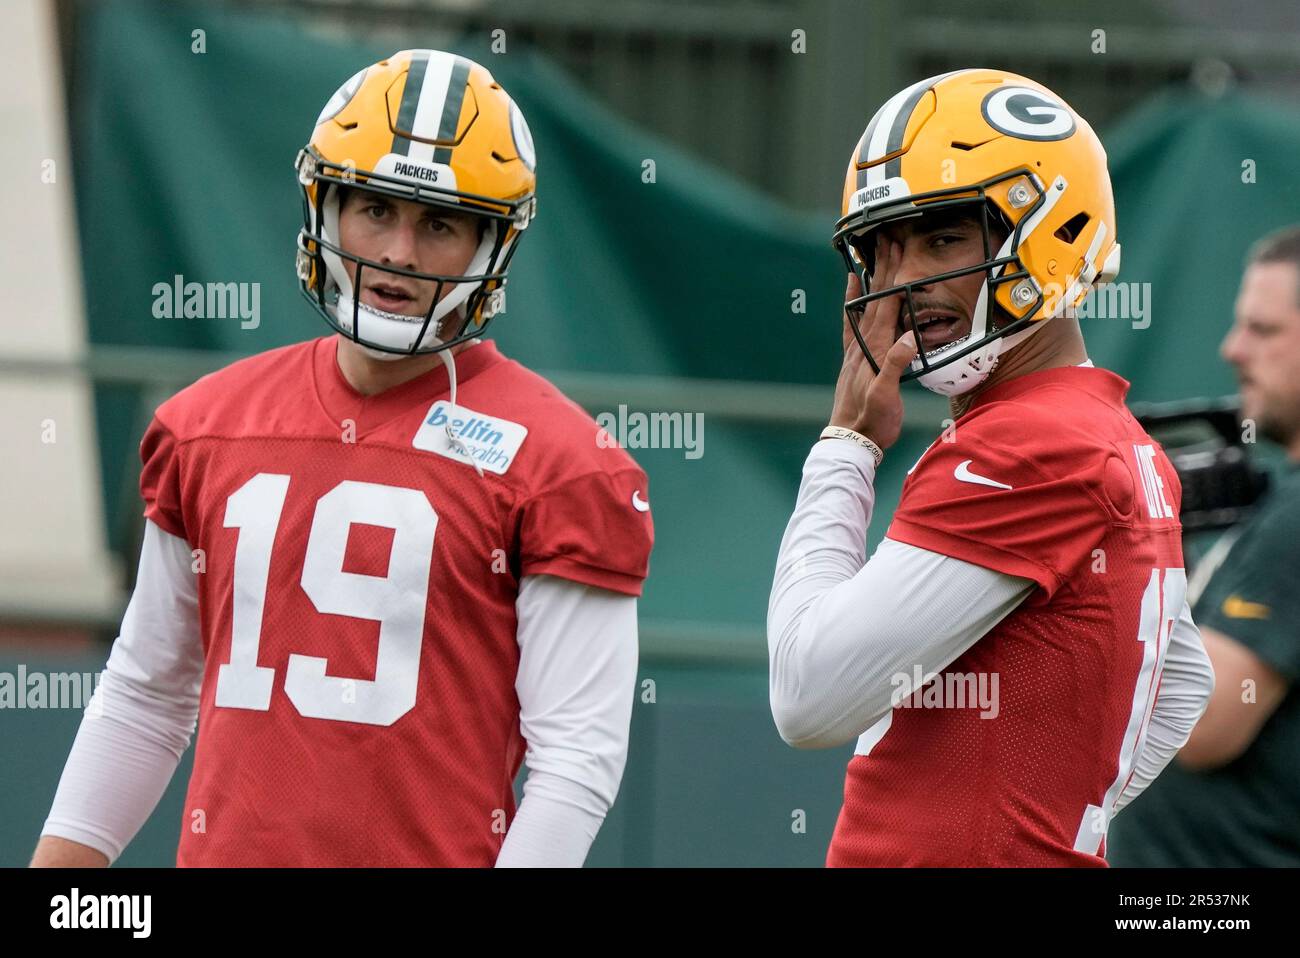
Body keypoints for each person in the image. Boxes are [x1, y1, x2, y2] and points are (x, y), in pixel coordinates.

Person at [32, 49, 653, 867]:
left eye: (438, 223)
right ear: (324, 208)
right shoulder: (206, 426)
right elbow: (147, 692)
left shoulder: (564, 465)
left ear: (489, 246)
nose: (397, 252)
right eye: (373, 208)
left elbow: (576, 760)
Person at [767, 69, 1214, 866]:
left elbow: (807, 697)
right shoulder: (1109, 434)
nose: (903, 283)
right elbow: (1181, 687)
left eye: (942, 239)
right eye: (883, 250)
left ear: (1053, 232)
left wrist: (847, 444)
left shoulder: (1024, 444)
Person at [1108, 226, 1300, 866]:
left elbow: (1200, 730)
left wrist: (1134, 562)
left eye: (1263, 331)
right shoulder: (1281, 502)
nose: (1233, 349)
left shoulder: (1295, 520)